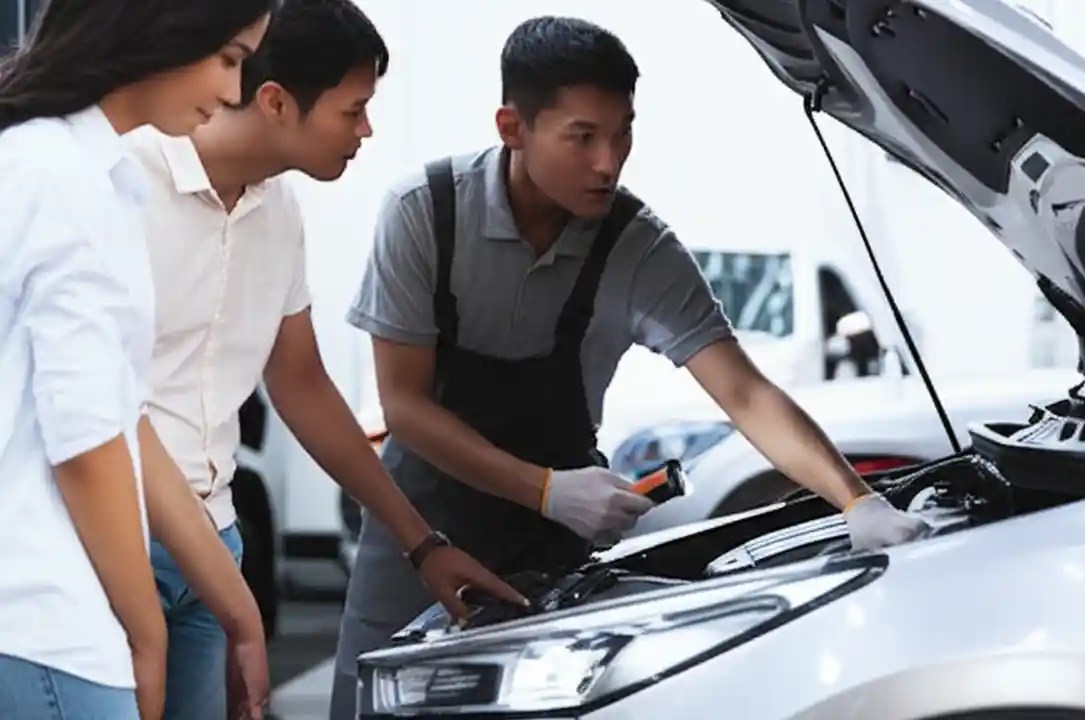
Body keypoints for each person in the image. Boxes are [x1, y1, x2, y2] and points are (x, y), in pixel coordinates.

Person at [330, 14, 931, 717]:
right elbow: (404, 406)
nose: (608, 162)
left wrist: (856, 499)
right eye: (582, 137)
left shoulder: (637, 247)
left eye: (623, 133)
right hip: (417, 532)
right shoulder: (424, 214)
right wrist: (549, 488)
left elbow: (742, 391)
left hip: (547, 557)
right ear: (512, 126)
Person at [123, 2, 524, 717]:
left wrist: (421, 544)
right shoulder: (125, 182)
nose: (366, 130)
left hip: (215, 545)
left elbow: (302, 384)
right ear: (276, 102)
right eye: (354, 109)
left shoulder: (278, 210)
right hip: (113, 537)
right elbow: (96, 399)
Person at [0, 2, 273, 719]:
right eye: (229, 58)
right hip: (46, 627)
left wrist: (236, 610)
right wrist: (145, 633)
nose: (234, 92)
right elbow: (86, 443)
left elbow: (121, 421)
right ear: (163, 27)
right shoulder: (61, 179)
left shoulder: (70, 167)